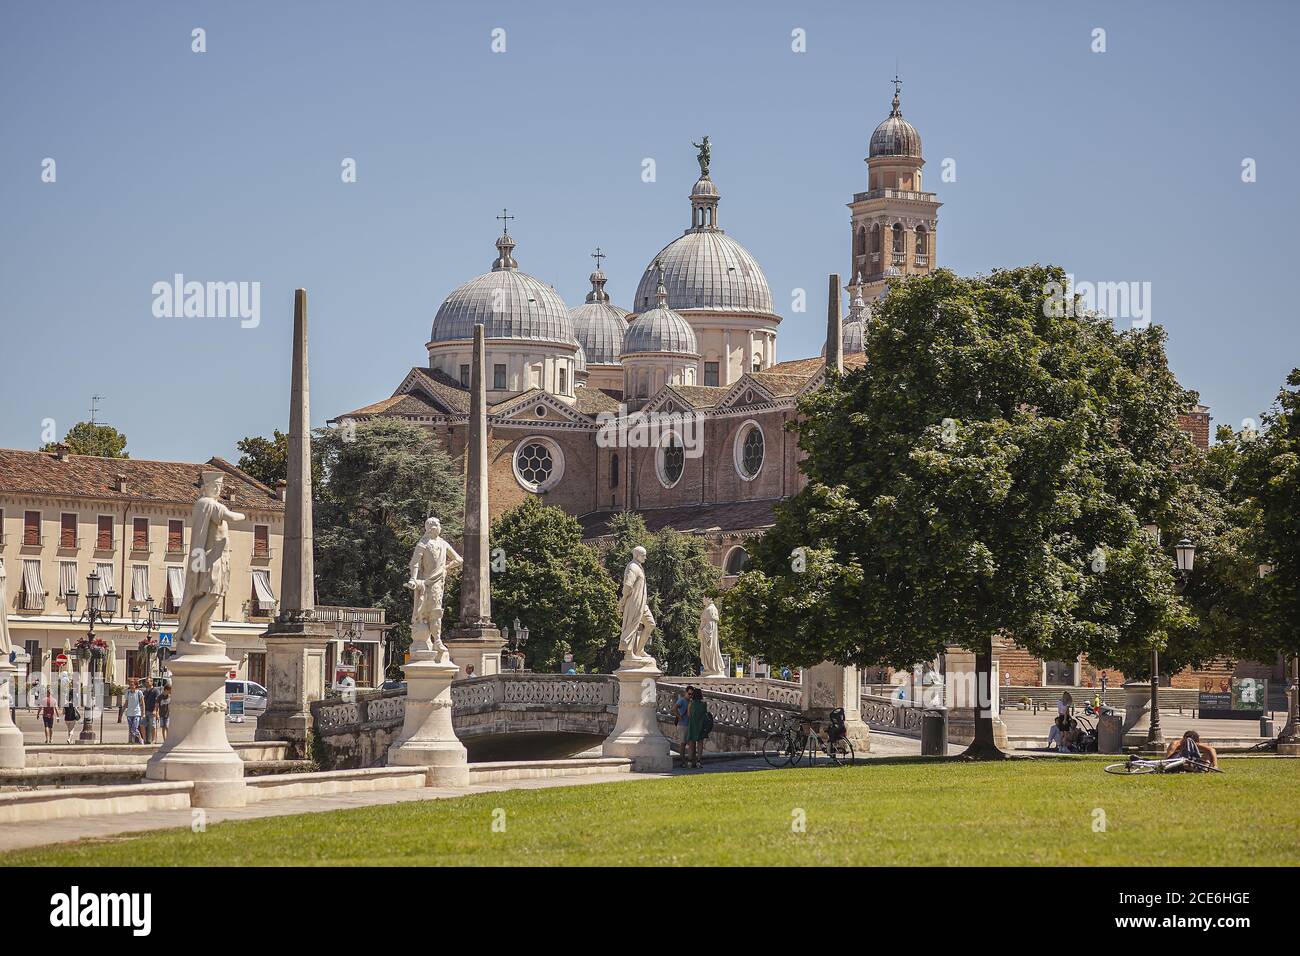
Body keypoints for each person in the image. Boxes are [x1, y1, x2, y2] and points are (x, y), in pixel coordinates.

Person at [686, 687, 708, 769]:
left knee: (691, 744)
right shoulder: (704, 704)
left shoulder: (690, 704)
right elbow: (705, 714)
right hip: (701, 725)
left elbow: (688, 715)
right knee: (700, 744)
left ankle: (689, 761)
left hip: (692, 725)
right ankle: (698, 761)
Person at [123, 679, 144, 744]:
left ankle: (140, 739)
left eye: (132, 685)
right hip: (129, 713)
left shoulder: (139, 692)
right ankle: (132, 741)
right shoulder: (128, 692)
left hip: (136, 713)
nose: (131, 686)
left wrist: (143, 713)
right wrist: (122, 711)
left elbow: (142, 703)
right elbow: (126, 703)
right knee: (131, 729)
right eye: (130, 685)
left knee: (134, 728)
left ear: (136, 685)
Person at [673, 687, 691, 758]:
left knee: (690, 744)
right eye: (689, 694)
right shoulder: (682, 700)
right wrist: (679, 716)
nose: (690, 695)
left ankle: (689, 760)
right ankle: (682, 760)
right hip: (682, 724)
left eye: (692, 694)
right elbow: (674, 709)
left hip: (689, 724)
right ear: (685, 693)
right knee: (683, 743)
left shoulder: (691, 701)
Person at [142, 678, 159, 744]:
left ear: (152, 682)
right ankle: (145, 740)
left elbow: (157, 702)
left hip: (152, 711)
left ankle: (153, 740)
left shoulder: (155, 691)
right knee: (142, 724)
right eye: (146, 682)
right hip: (145, 711)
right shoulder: (145, 691)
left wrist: (155, 710)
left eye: (148, 682)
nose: (147, 683)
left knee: (153, 726)